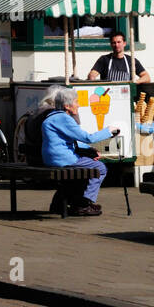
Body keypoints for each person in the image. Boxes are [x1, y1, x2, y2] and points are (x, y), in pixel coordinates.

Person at [39, 86, 119, 216]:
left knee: (83, 170)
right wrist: (108, 131)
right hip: (64, 160)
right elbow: (88, 138)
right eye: (76, 102)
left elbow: (70, 141)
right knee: (100, 168)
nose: (79, 105)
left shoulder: (51, 118)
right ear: (67, 106)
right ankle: (83, 203)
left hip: (51, 159)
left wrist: (89, 150)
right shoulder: (64, 119)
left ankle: (62, 203)